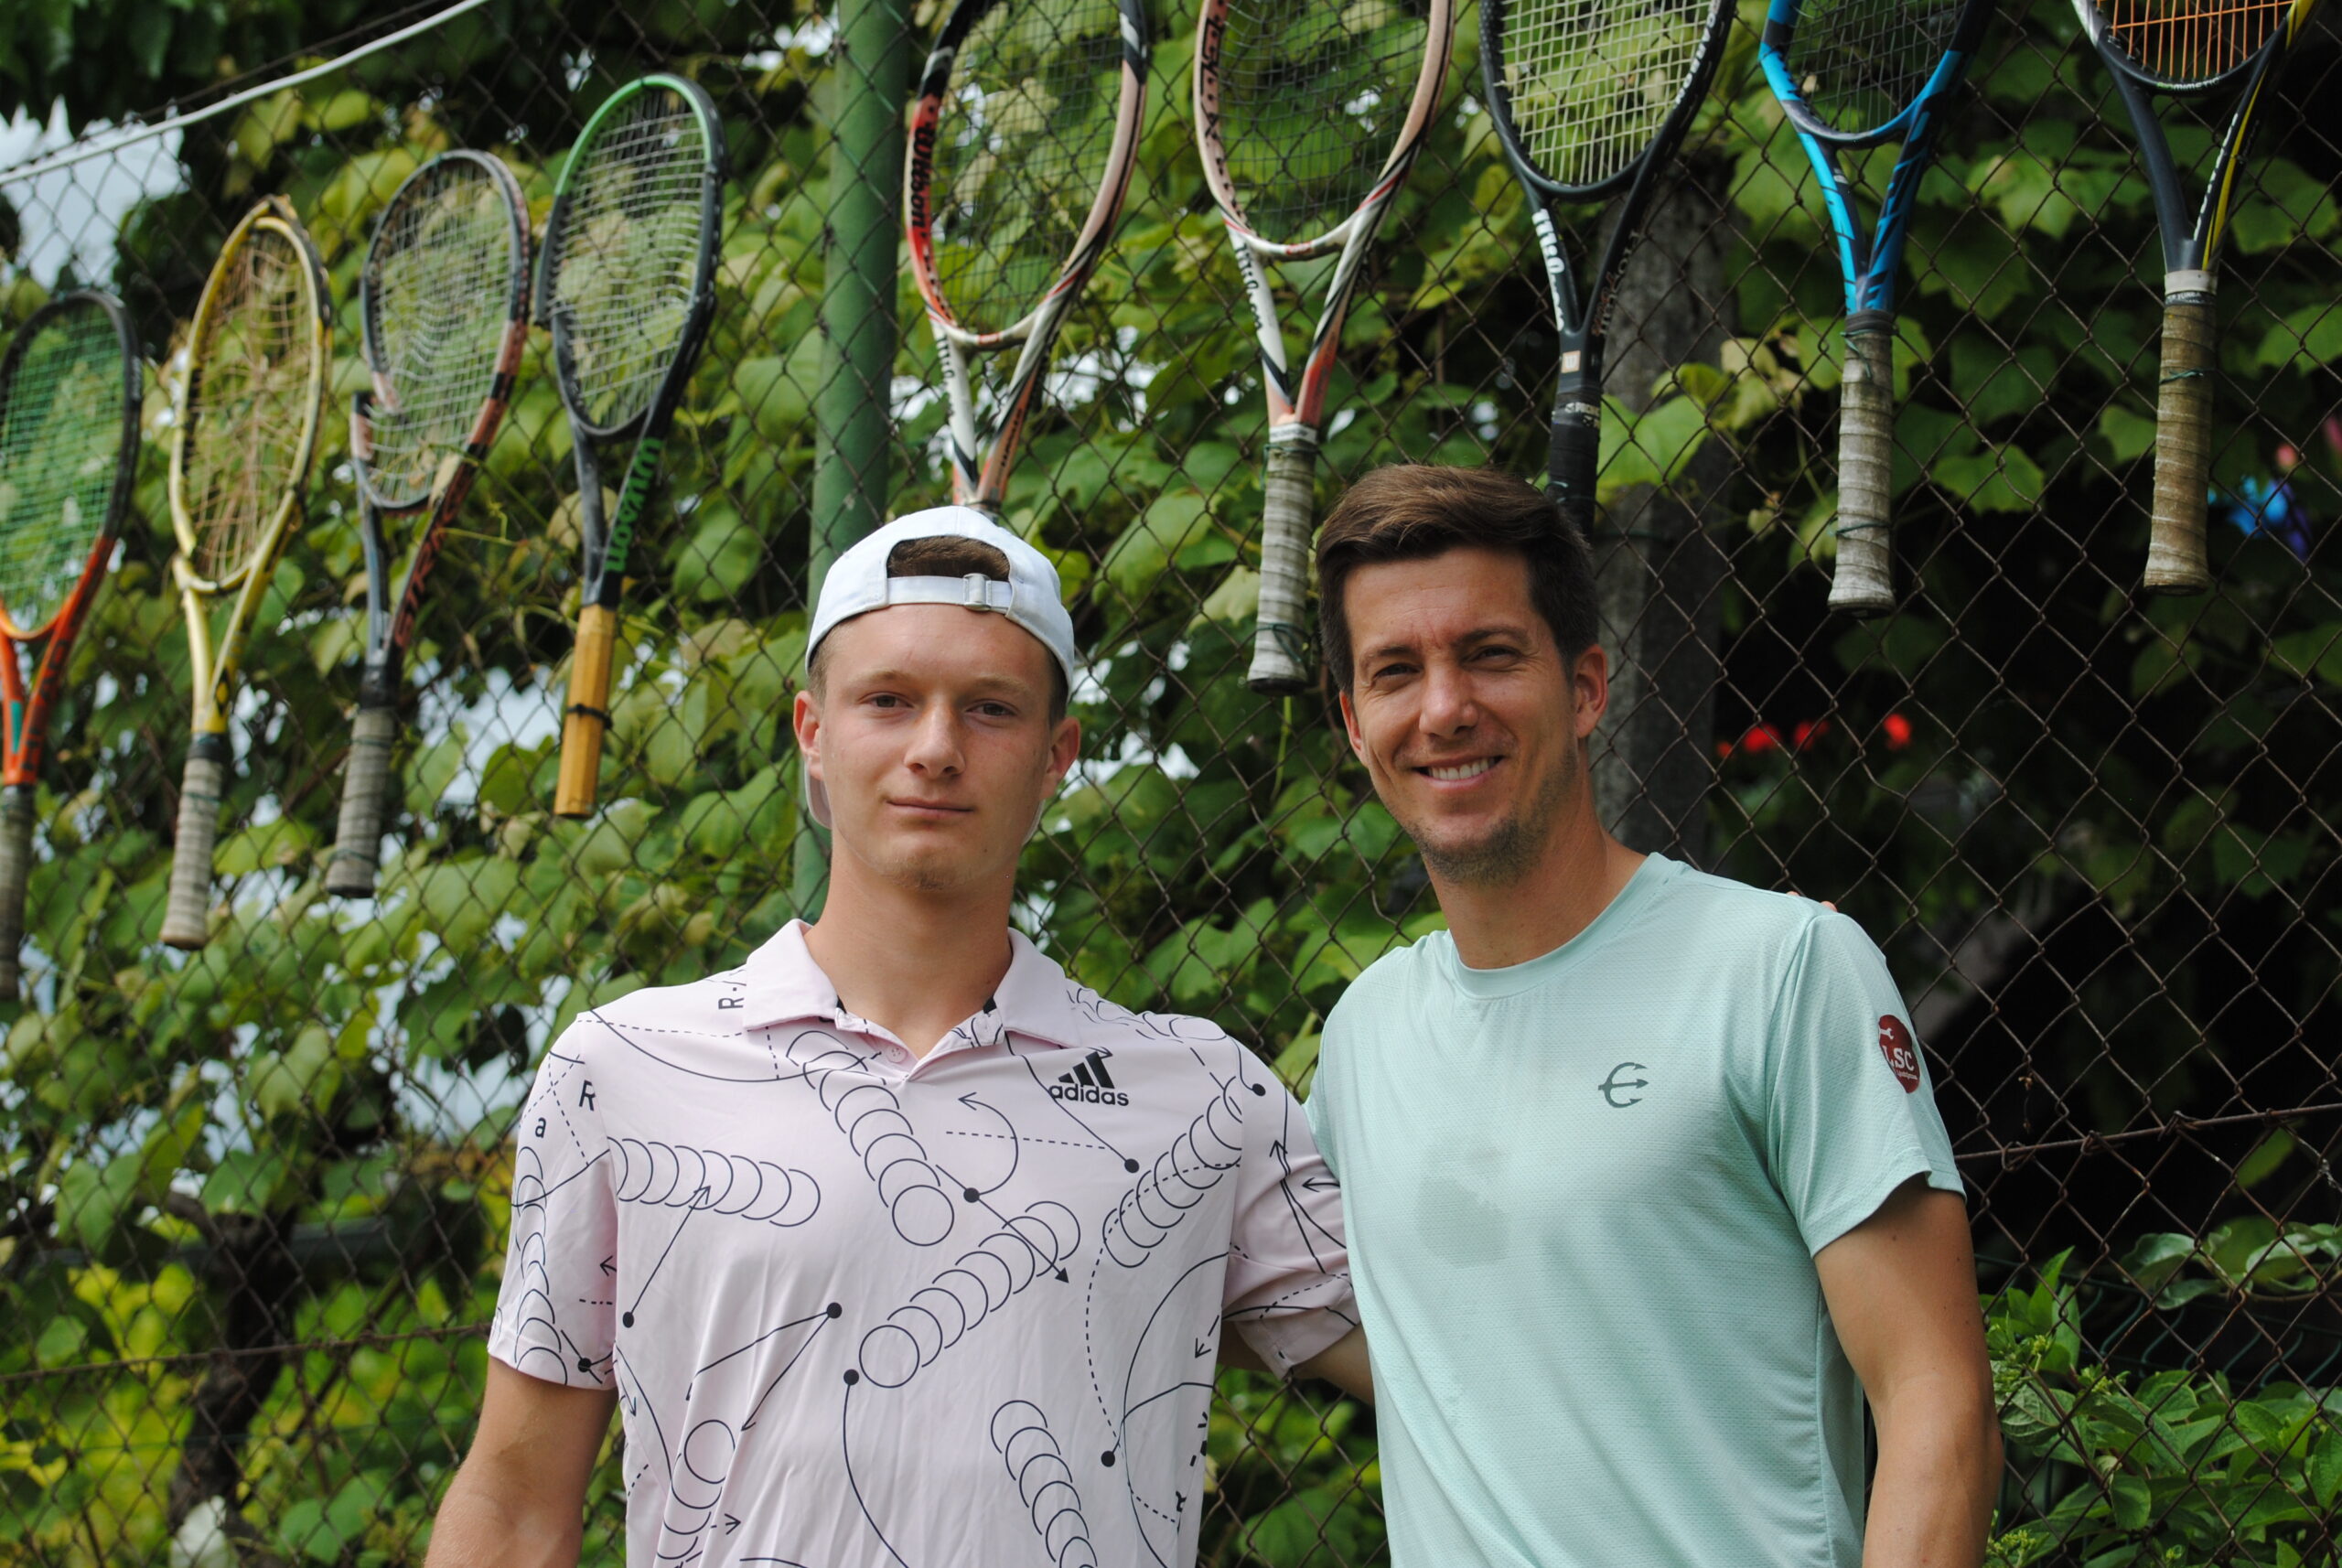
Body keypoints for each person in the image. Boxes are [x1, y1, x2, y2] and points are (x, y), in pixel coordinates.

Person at [427, 507, 1367, 1568]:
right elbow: (514, 1509)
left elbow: (1457, 1359)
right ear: (812, 734)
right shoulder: (622, 1069)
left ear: (1057, 754)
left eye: (989, 709)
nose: (935, 748)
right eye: (888, 700)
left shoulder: (1205, 1098)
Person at [1304, 465, 2001, 1568]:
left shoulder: (1780, 970)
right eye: (1397, 672)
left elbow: (1935, 1399)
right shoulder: (1363, 1039)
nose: (1444, 709)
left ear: (1585, 687)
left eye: (1489, 653)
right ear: (1354, 723)